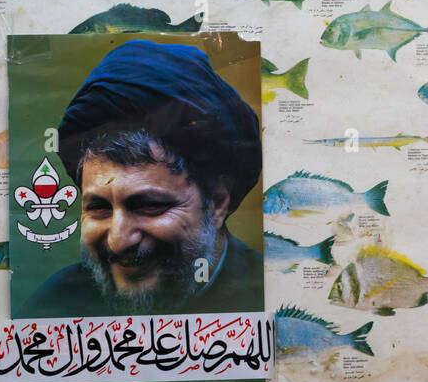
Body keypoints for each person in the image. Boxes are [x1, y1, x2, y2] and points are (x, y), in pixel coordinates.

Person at [18, 39, 263, 317]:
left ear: (217, 203)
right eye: (98, 208)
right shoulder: (52, 309)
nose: (118, 241)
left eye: (149, 206)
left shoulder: (270, 297)